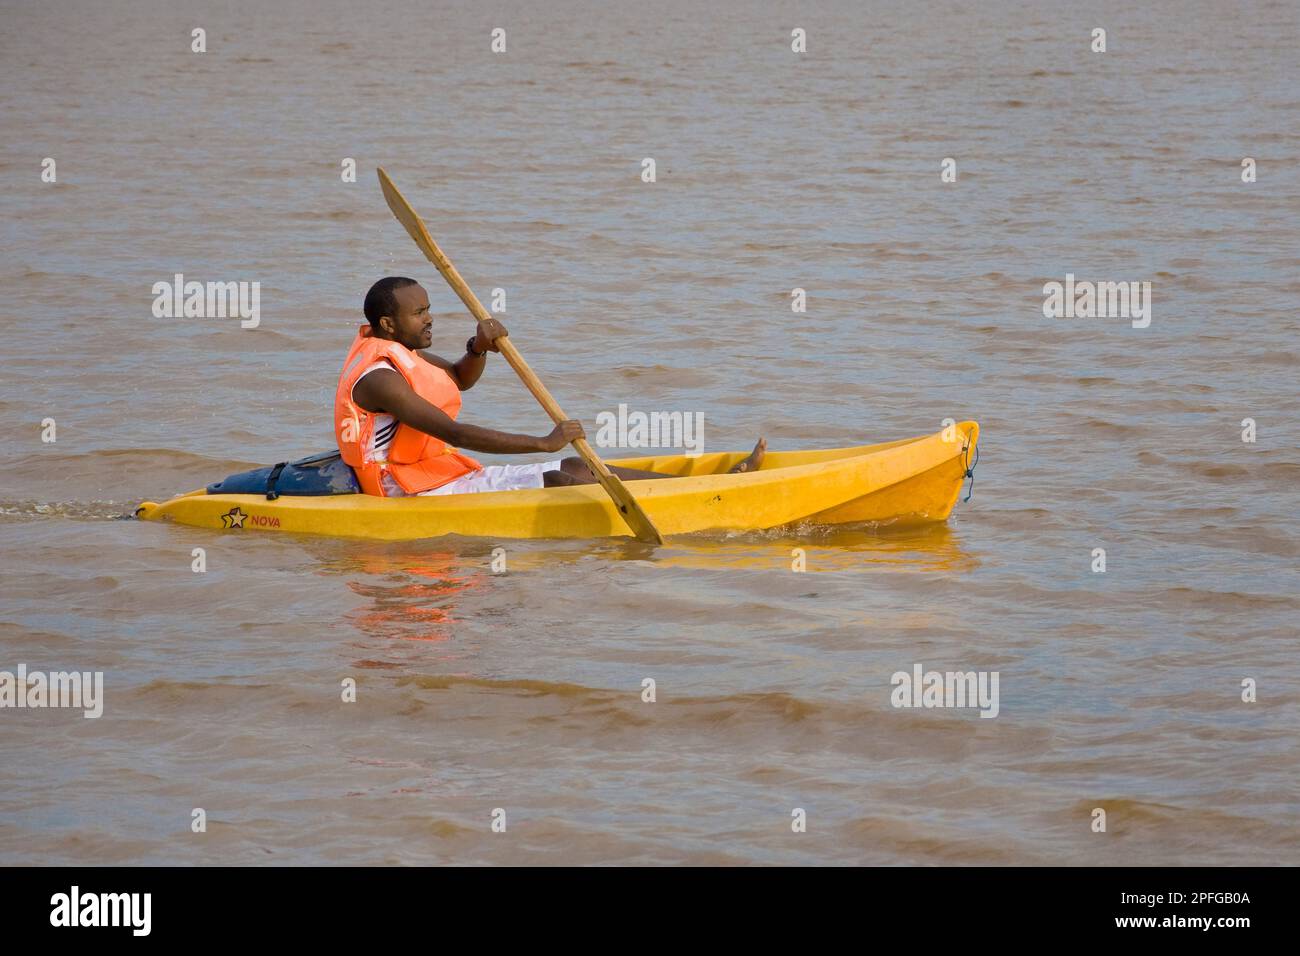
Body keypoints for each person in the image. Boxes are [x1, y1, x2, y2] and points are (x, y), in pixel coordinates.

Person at [335, 277, 765, 497]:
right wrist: (543, 444)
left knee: (576, 470)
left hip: (433, 475)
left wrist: (478, 348)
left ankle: (707, 490)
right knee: (563, 476)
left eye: (429, 309)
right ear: (388, 324)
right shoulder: (380, 379)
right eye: (418, 313)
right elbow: (455, 434)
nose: (429, 319)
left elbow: (460, 378)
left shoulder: (395, 350)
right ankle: (710, 495)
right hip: (405, 490)